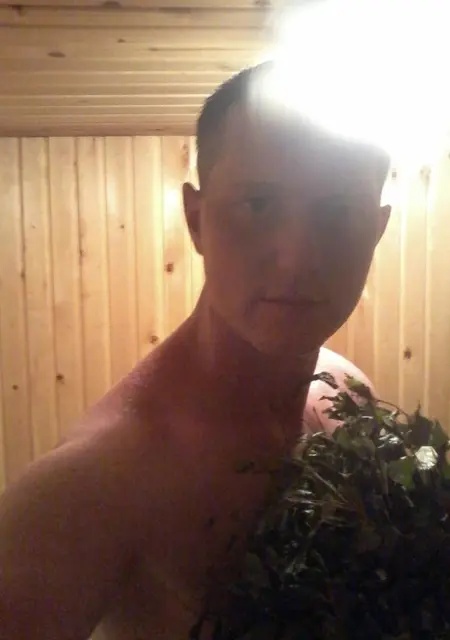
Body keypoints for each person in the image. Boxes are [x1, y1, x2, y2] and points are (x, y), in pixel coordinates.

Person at [0, 62, 390, 640]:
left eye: (337, 212)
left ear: (377, 230)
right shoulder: (91, 486)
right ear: (196, 219)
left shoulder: (347, 396)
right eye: (258, 204)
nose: (297, 258)